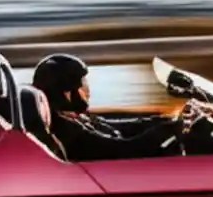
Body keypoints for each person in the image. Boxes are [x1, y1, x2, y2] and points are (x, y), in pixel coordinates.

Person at [31, 53, 176, 161]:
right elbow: (124, 149)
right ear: (66, 91)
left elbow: (121, 127)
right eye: (82, 83)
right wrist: (169, 129)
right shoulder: (68, 132)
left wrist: (163, 120)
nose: (88, 90)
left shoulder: (75, 117)